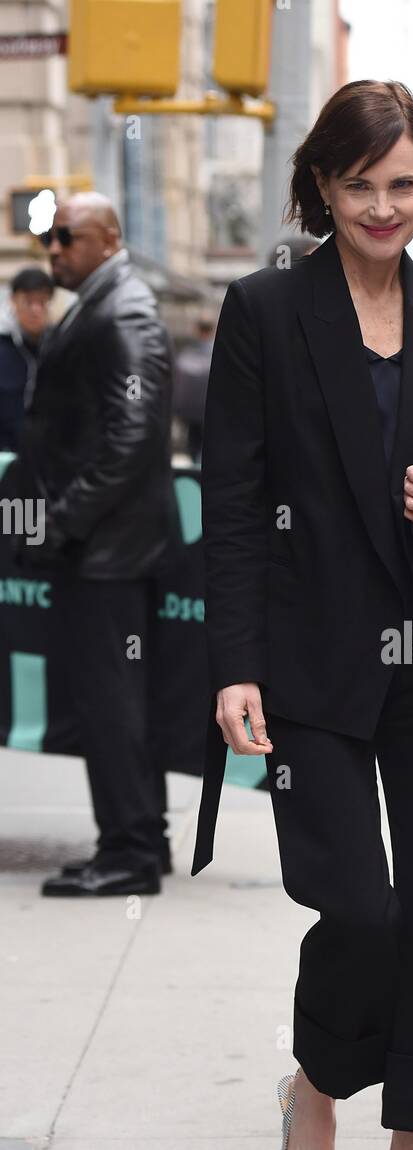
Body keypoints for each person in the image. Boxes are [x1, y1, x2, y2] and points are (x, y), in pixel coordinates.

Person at [190, 79, 413, 1150]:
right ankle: (314, 1086)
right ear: (321, 187)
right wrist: (234, 665)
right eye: (361, 184)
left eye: (404, 184)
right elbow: (230, 504)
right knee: (363, 912)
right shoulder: (265, 310)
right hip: (311, 664)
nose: (384, 206)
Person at [14, 192, 181, 896]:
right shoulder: (103, 301)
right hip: (105, 549)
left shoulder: (126, 309)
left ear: (108, 238)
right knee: (115, 704)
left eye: (65, 237)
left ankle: (131, 854)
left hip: (108, 555)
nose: (53, 251)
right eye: (47, 240)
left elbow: (133, 434)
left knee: (109, 705)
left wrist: (63, 520)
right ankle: (138, 839)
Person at [0, 266, 54, 453]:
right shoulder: (3, 347)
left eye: (42, 302)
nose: (35, 310)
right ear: (13, 301)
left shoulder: (59, 347)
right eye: (28, 302)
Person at [173, 315, 216, 465]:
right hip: (208, 409)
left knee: (194, 445)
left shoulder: (187, 354)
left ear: (197, 330)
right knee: (206, 447)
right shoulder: (218, 352)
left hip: (190, 410)